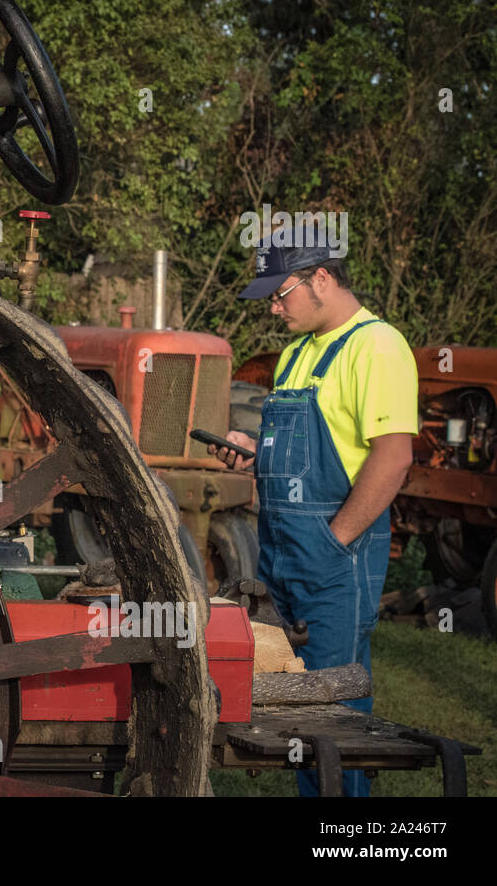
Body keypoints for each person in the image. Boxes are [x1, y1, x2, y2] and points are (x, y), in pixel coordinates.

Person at [209, 231, 417, 797]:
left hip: (334, 564)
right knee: (293, 715)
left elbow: (394, 457)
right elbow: (306, 453)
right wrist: (252, 448)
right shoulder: (298, 353)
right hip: (282, 557)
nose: (274, 308)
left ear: (321, 277)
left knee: (334, 719)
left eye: (281, 294)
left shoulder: (377, 346)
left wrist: (333, 542)